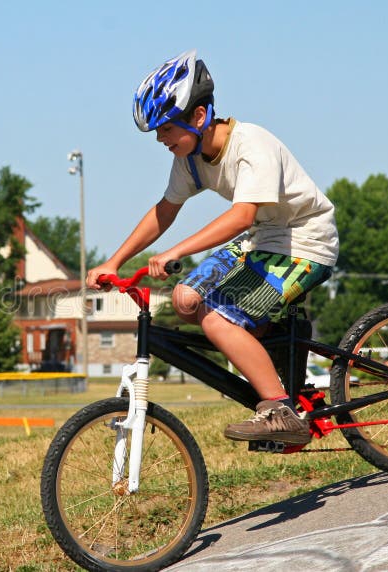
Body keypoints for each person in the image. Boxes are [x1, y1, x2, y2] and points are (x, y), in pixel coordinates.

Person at [86, 49, 339, 444]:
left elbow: (240, 216)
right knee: (187, 299)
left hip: (304, 242)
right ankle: (272, 355)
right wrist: (114, 261)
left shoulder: (252, 145)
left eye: (166, 128)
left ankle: (279, 409)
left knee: (218, 317)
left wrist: (176, 252)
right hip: (261, 239)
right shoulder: (190, 159)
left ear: (199, 117)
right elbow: (164, 211)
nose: (160, 138)